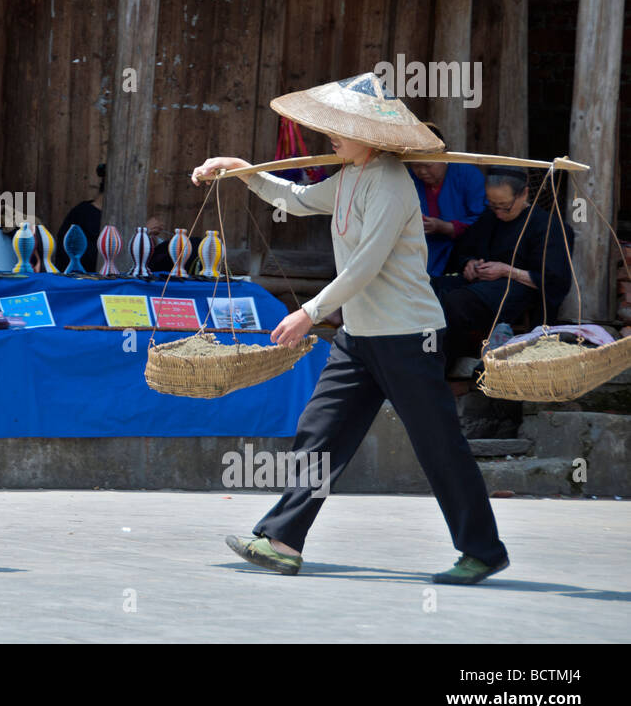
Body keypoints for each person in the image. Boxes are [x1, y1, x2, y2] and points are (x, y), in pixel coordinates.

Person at [192, 73, 509, 585]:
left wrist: (309, 312)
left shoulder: (389, 181)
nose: (332, 135)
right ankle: (283, 540)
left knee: (437, 445)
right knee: (320, 433)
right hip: (359, 338)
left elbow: (366, 264)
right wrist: (242, 171)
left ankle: (483, 549)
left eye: (343, 127)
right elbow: (295, 199)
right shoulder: (349, 174)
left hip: (408, 336)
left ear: (372, 134)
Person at [431, 167, 572, 361]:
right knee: (430, 289)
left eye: (505, 207)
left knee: (456, 303)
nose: (498, 213)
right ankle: (422, 357)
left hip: (519, 287)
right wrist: (469, 263)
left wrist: (508, 271)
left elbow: (555, 280)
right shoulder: (489, 217)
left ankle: (443, 365)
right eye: (492, 206)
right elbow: (464, 249)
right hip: (481, 283)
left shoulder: (547, 225)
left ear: (524, 194)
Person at [407, 123, 486, 275]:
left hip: (464, 251)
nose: (422, 171)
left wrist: (444, 227)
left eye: (428, 165)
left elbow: (483, 220)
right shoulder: (409, 178)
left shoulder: (469, 176)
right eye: (416, 165)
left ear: (444, 155)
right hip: (421, 250)